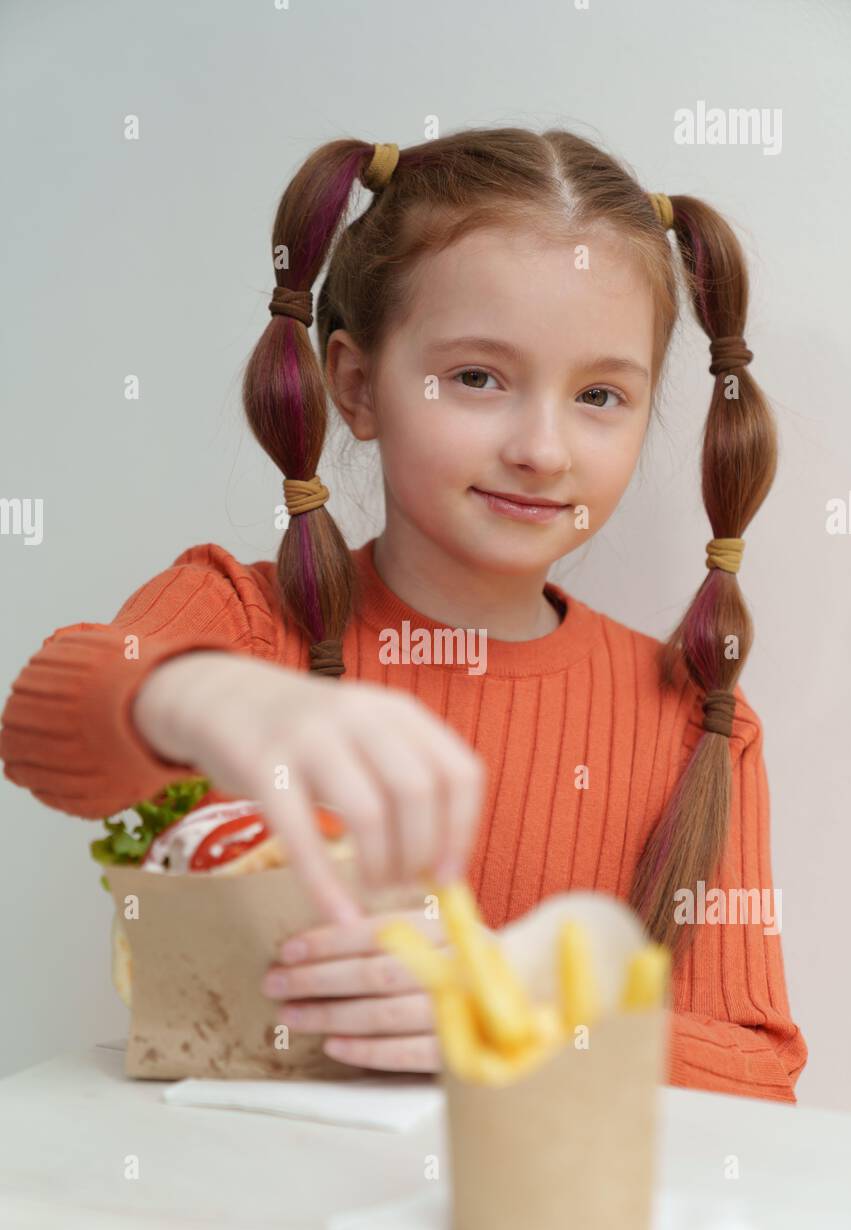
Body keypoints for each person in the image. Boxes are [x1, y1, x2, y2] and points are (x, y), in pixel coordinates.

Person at [0, 128, 807, 1099]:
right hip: (225, 1223)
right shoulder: (248, 620)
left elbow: (755, 1065)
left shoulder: (689, 717)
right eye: (476, 377)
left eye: (599, 394)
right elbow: (40, 722)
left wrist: (508, 1010)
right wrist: (203, 693)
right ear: (353, 385)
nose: (541, 448)